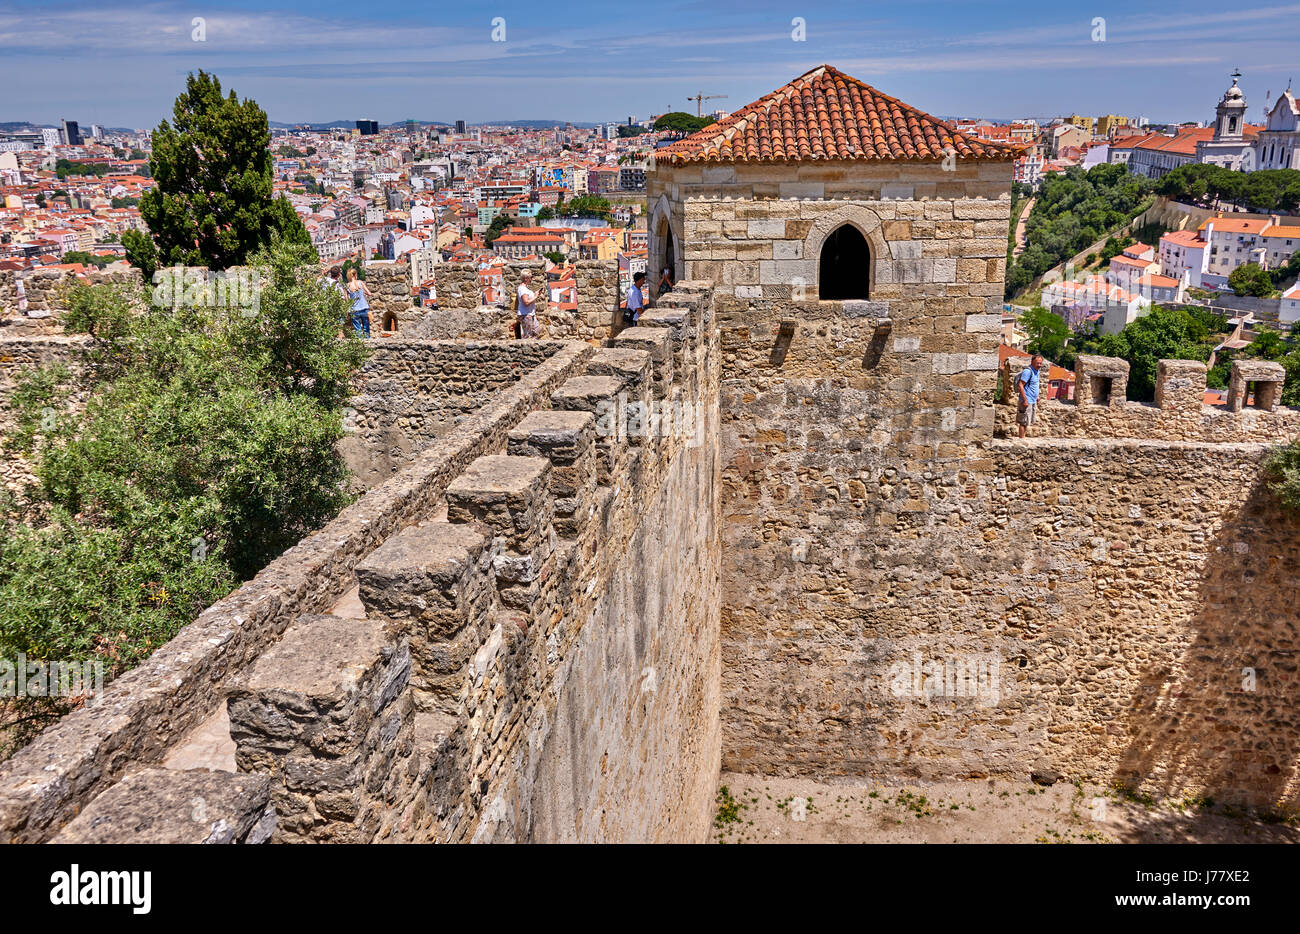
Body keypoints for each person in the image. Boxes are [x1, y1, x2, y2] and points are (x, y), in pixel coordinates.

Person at [1016, 354, 1044, 438]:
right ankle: (1021, 439)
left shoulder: (1037, 371)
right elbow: (1020, 385)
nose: (1039, 365)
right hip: (1026, 400)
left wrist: (1037, 396)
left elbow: (1034, 384)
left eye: (1040, 363)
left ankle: (1023, 437)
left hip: (1032, 400)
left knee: (1027, 421)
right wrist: (1024, 400)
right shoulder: (1028, 371)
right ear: (1032, 362)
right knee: (1023, 421)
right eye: (1037, 363)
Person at [344, 266, 371, 339]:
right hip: (364, 307)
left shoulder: (347, 286)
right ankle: (368, 341)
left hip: (354, 309)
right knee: (366, 327)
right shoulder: (360, 283)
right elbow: (369, 293)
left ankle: (360, 343)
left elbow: (346, 299)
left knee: (357, 329)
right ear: (355, 274)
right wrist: (362, 292)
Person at [516, 270, 540, 338]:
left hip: (529, 314)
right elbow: (526, 302)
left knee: (536, 330)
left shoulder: (525, 288)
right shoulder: (523, 289)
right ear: (526, 278)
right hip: (525, 314)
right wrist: (535, 296)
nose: (531, 279)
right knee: (528, 335)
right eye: (531, 277)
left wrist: (535, 294)